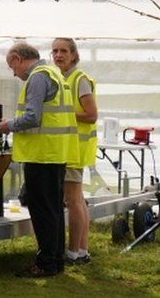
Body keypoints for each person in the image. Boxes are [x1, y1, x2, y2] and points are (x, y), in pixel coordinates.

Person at [0, 41, 78, 277]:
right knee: (53, 210)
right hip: (54, 153)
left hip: (42, 155)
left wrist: (8, 125)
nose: (13, 72)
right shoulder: (54, 73)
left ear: (18, 59)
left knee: (42, 211)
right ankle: (55, 260)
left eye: (12, 66)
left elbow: (33, 117)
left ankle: (45, 263)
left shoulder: (38, 77)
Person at [52, 37, 98, 265]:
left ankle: (71, 252)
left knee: (73, 202)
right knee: (78, 200)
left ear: (73, 54)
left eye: (63, 51)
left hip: (74, 150)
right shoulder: (63, 78)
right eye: (54, 51)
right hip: (70, 149)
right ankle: (82, 250)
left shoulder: (79, 80)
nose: (58, 55)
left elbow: (91, 115)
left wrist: (63, 114)